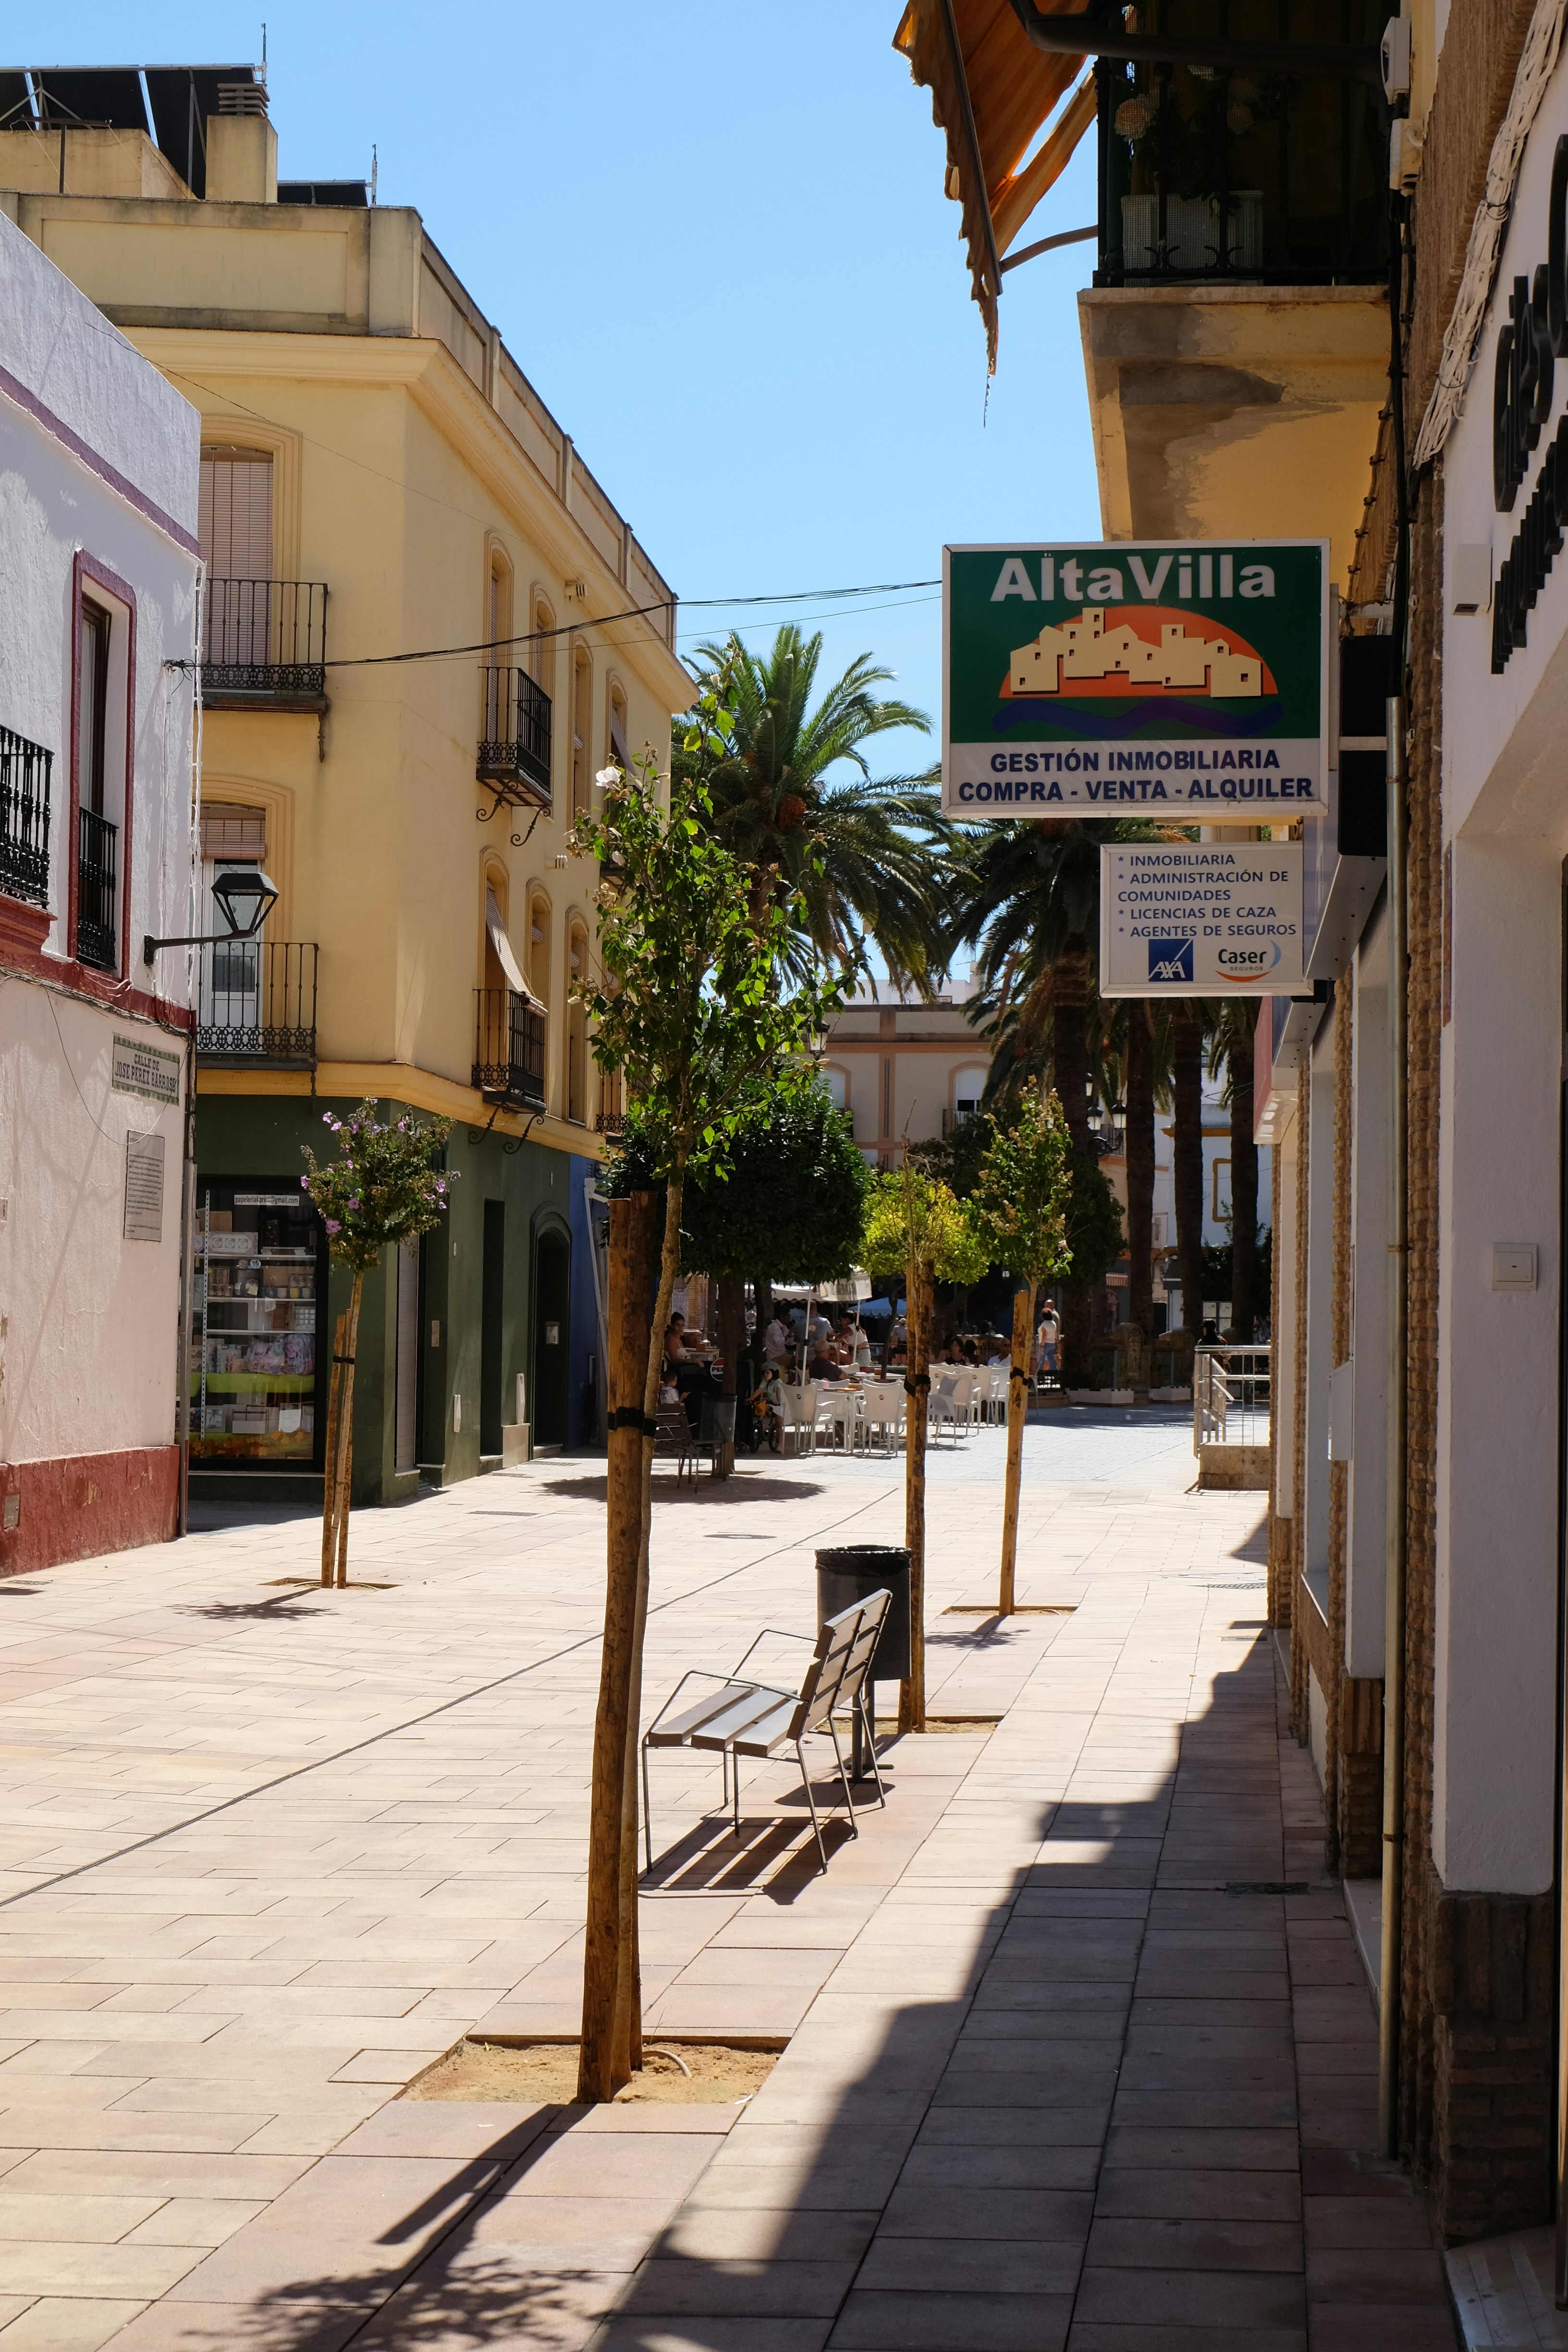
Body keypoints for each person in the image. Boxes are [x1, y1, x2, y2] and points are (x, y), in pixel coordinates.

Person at [1036, 1299, 1060, 1381]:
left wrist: (1042, 1346)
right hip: (1052, 1344)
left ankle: (1039, 1377)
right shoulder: (1053, 1324)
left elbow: (1044, 1336)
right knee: (1052, 1361)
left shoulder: (1044, 1325)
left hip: (1045, 1344)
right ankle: (1057, 1377)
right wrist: (1056, 1341)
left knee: (1041, 1361)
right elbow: (1056, 1334)